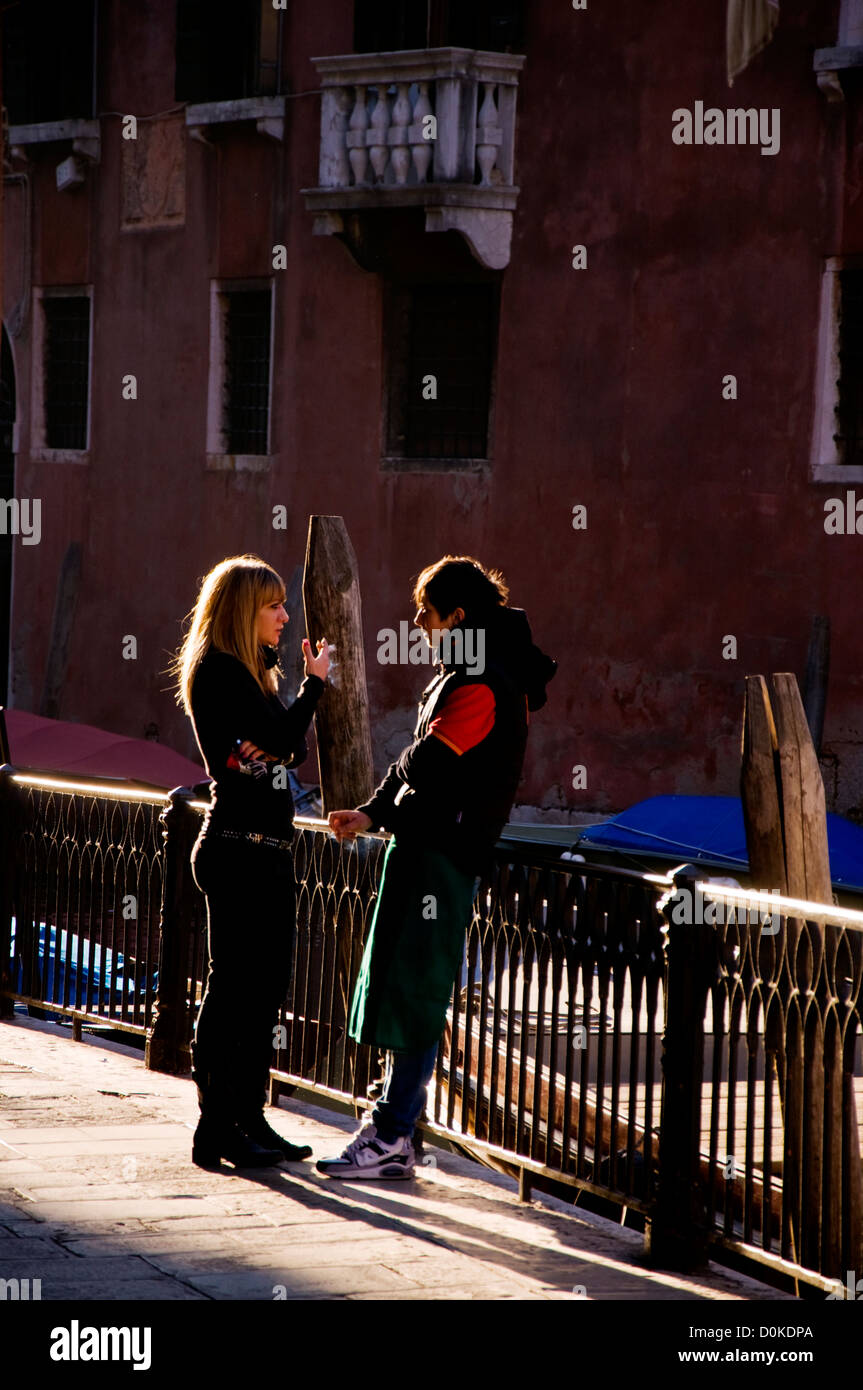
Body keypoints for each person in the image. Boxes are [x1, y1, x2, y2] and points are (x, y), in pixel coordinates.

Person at [317, 555, 556, 1180]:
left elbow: (427, 763)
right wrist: (376, 812)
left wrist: (371, 811)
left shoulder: (480, 682)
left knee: (414, 990)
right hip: (434, 849)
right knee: (407, 985)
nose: (418, 621)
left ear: (458, 615)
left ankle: (393, 1133)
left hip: (441, 856)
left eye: (427, 610)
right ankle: (400, 1130)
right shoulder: (472, 672)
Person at [171, 553, 329, 1169]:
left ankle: (248, 1117)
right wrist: (315, 683)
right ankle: (216, 1127)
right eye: (274, 605)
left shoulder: (250, 674)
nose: (286, 617)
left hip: (265, 852)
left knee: (262, 994)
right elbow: (284, 747)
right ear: (243, 610)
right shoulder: (218, 675)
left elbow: (280, 753)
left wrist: (292, 698)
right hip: (238, 850)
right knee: (234, 991)